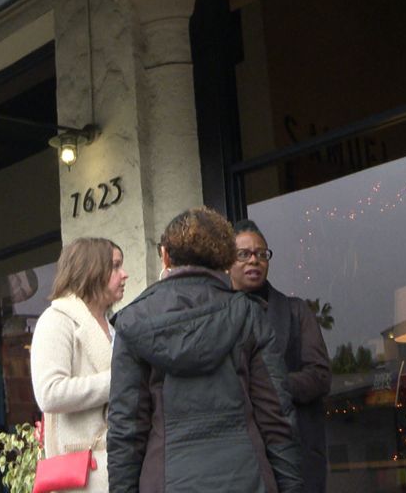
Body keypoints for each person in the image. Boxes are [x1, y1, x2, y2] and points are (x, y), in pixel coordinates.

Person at [108, 207, 302, 493]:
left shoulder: (134, 322)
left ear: (165, 256)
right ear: (224, 260)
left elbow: (125, 431)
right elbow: (277, 417)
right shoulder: (248, 315)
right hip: (248, 479)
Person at [230, 220, 333, 493]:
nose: (254, 260)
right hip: (239, 459)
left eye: (261, 254)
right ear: (226, 262)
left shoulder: (295, 311)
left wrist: (269, 386)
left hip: (295, 451)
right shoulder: (218, 317)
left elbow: (320, 376)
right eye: (244, 254)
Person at [29, 237, 128, 493]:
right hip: (85, 476)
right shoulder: (56, 320)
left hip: (123, 467)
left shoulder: (115, 324)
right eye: (116, 266)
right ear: (92, 270)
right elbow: (49, 393)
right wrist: (120, 379)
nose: (124, 274)